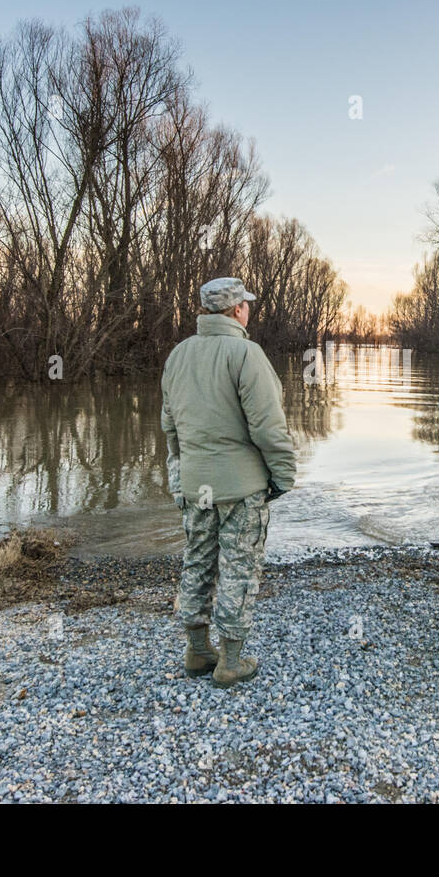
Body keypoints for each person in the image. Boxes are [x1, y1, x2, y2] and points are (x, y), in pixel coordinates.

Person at [161, 277, 296, 688]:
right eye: (246, 306)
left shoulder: (179, 354)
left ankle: (198, 650)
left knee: (197, 562)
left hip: (194, 483)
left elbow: (170, 427)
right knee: (239, 567)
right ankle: (231, 661)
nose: (248, 311)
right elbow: (268, 427)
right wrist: (284, 474)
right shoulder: (245, 353)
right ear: (237, 310)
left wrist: (177, 474)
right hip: (239, 487)